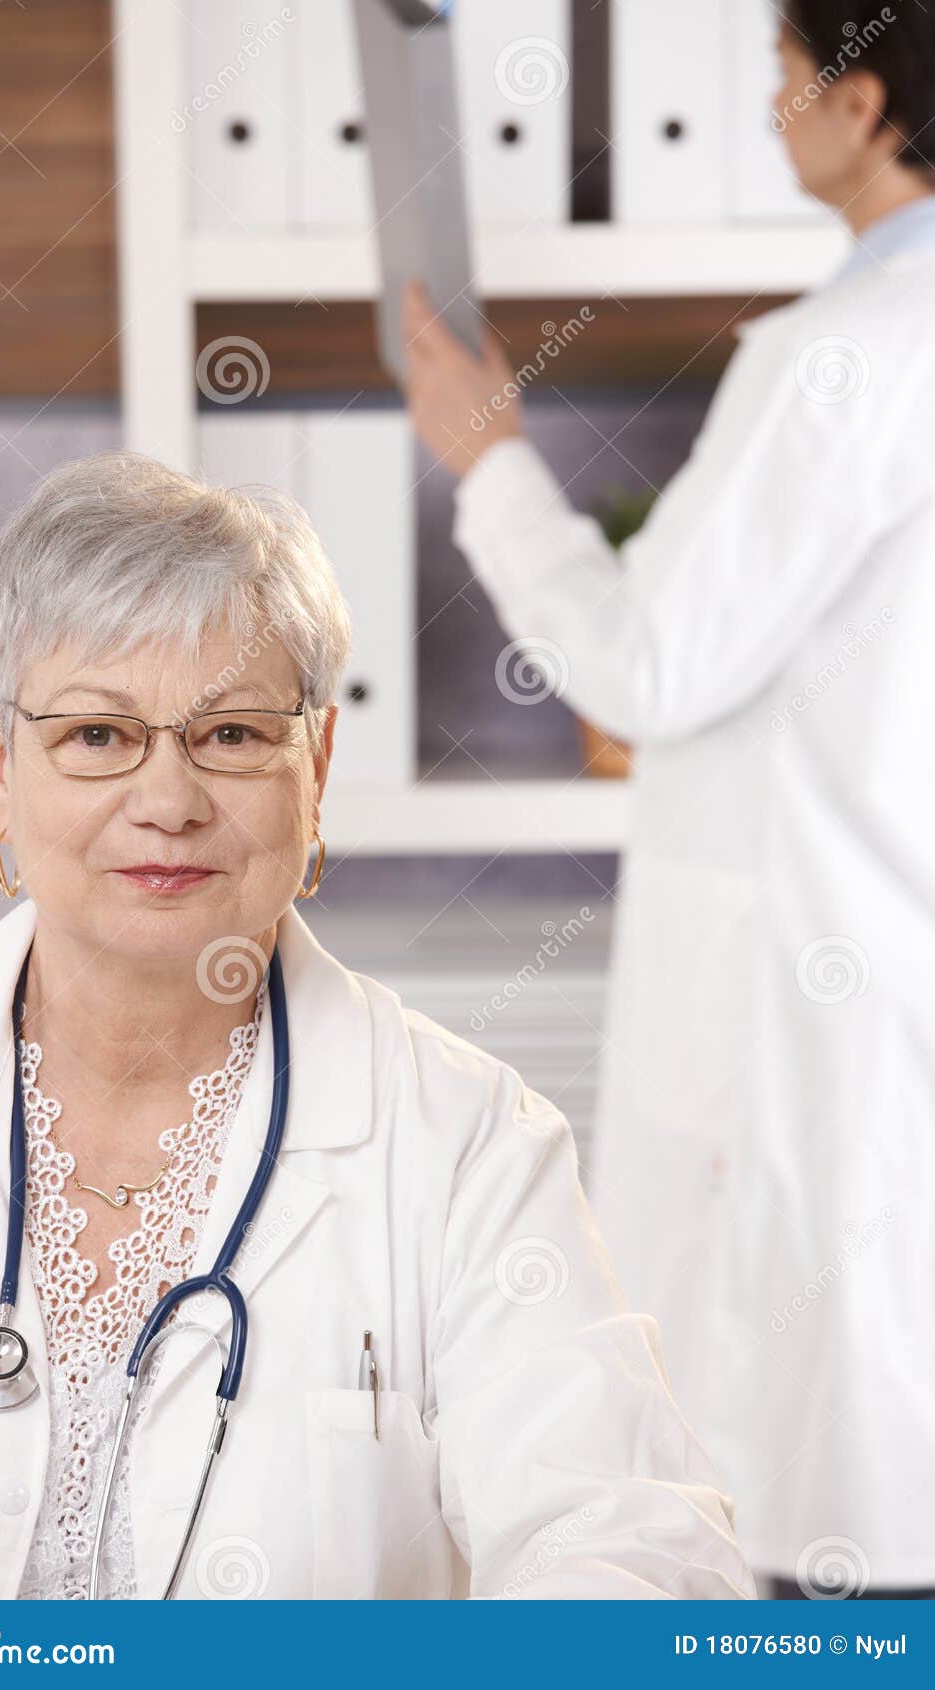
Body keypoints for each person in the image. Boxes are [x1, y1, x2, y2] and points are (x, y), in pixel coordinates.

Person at [0, 452, 753, 1601]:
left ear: (315, 764)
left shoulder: (466, 1144)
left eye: (230, 735)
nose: (166, 802)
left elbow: (641, 1561)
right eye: (98, 737)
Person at [401, 0, 935, 1600]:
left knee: (801, 1477)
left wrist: (490, 459)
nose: (774, 116)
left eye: (787, 83)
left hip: (822, 980)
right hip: (878, 947)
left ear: (862, 103)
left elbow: (646, 663)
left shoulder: (852, 353)